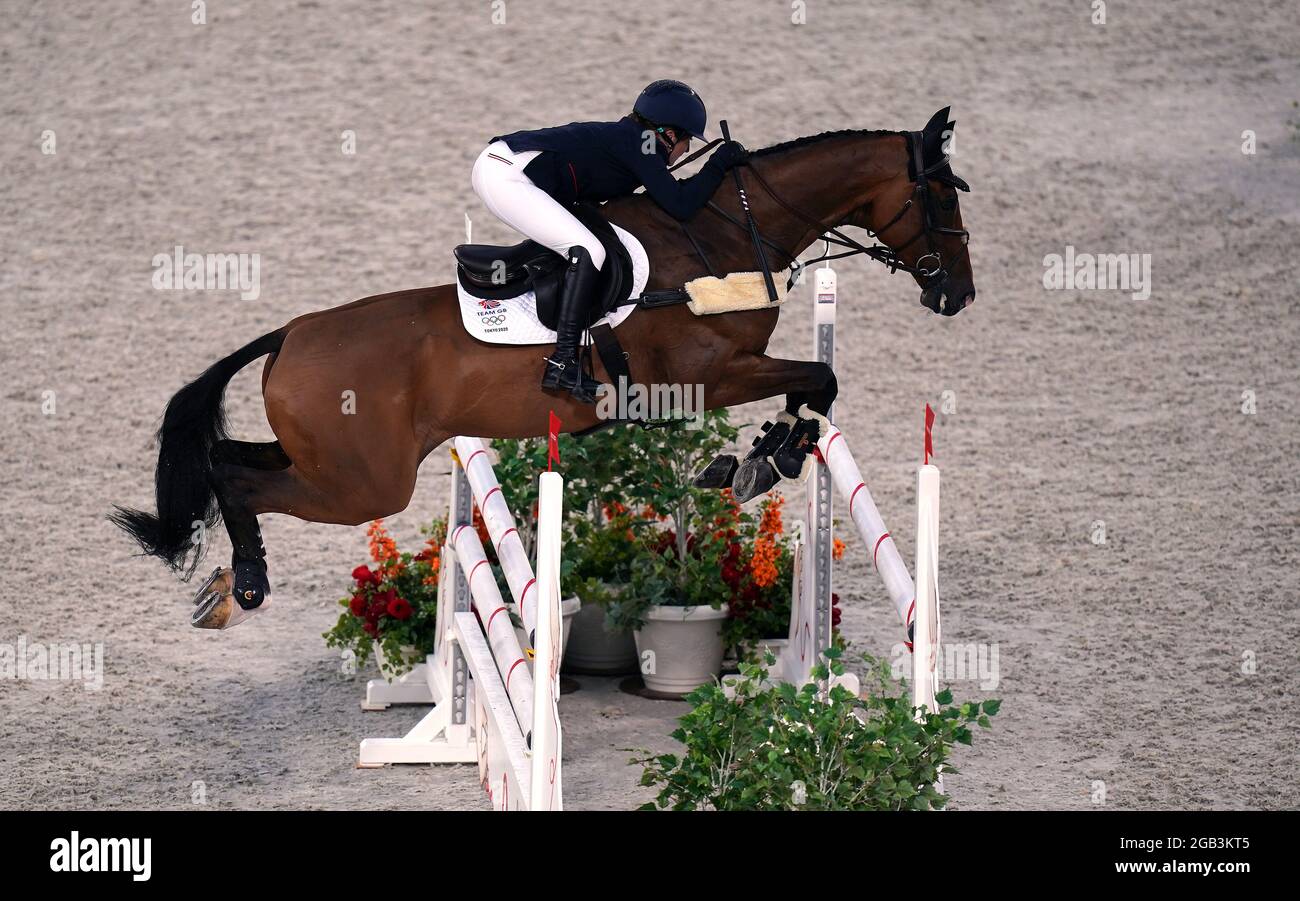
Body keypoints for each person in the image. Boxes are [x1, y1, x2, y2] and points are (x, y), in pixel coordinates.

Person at [472, 79, 749, 403]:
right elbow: (681, 205)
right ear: (669, 133)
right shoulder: (643, 142)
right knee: (587, 251)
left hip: (503, 167)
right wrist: (719, 163)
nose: (687, 149)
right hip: (506, 175)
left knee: (585, 241)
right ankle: (563, 362)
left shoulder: (633, 139)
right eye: (687, 139)